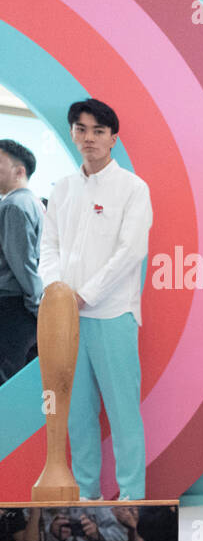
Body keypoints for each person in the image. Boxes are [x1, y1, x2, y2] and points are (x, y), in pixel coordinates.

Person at [38, 99, 153, 501]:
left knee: (123, 414)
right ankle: (86, 495)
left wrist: (85, 295)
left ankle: (132, 498)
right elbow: (48, 245)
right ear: (72, 133)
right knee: (76, 414)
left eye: (98, 131)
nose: (89, 138)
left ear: (113, 140)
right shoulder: (63, 188)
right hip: (65, 319)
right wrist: (57, 292)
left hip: (112, 314)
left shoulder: (133, 188)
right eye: (81, 129)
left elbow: (131, 251)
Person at [0, 139, 43, 383]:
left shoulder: (13, 205)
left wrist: (36, 303)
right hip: (23, 305)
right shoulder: (34, 203)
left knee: (6, 377)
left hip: (12, 304)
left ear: (20, 171)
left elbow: (22, 262)